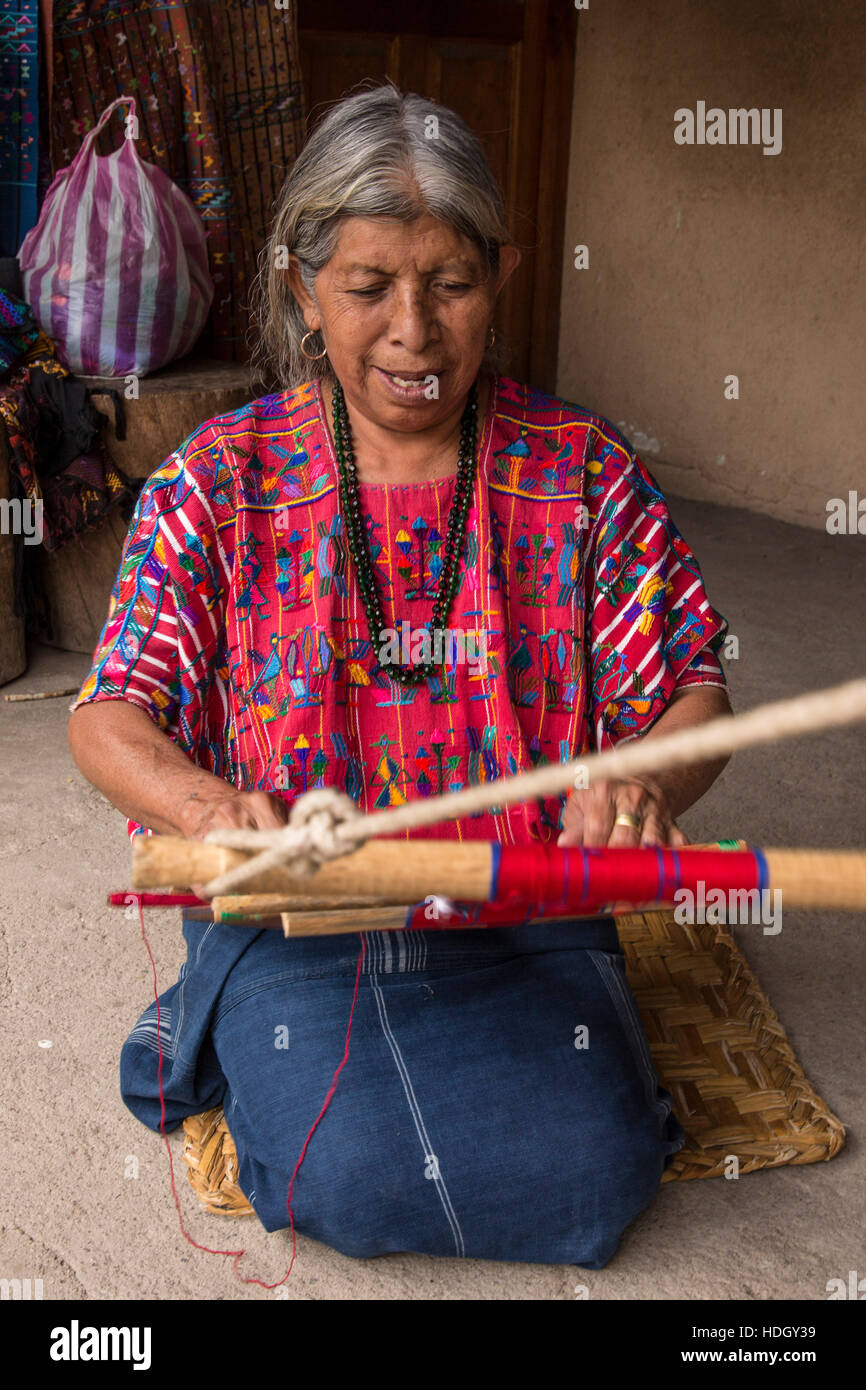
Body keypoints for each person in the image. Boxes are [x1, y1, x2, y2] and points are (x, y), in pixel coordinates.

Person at [68, 85, 731, 1268]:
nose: (413, 332)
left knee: (592, 1170)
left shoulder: (581, 474)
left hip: (523, 909)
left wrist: (643, 785)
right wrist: (210, 812)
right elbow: (109, 713)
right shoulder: (219, 481)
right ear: (300, 285)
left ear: (504, 271)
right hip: (305, 914)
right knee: (352, 1169)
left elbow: (692, 691)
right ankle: (237, 1012)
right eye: (369, 286)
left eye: (451, 283)